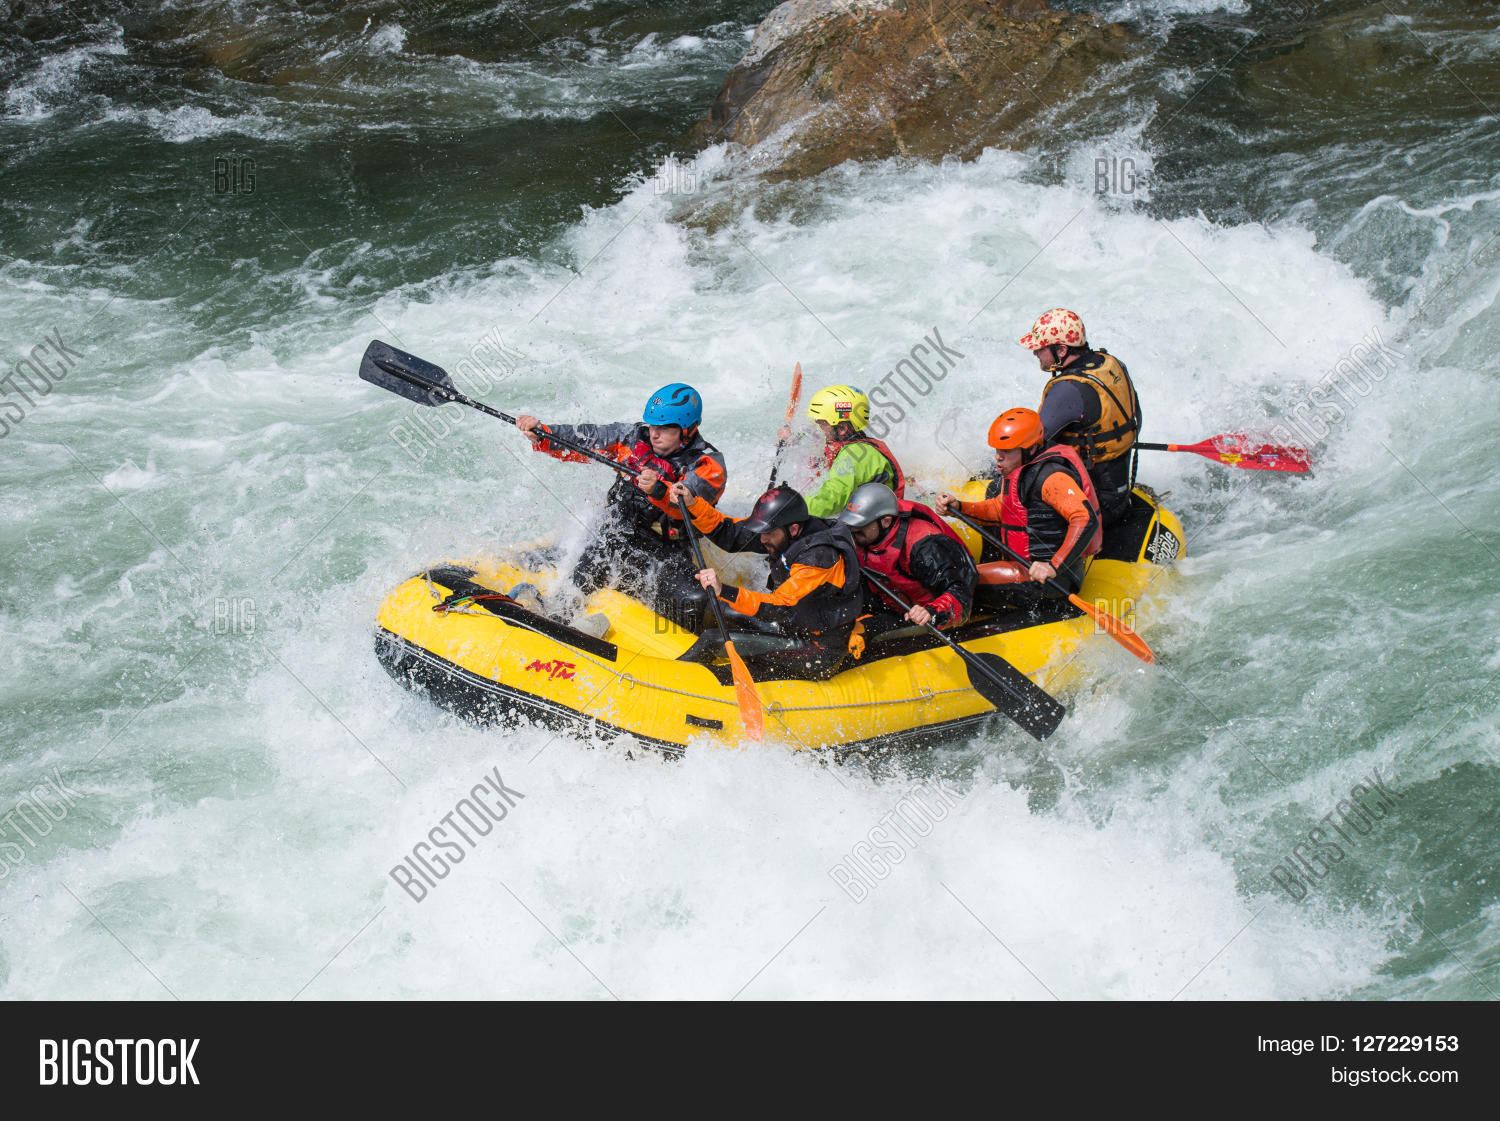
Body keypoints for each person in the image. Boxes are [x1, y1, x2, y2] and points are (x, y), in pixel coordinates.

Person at [515, 383, 726, 630]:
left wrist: (658, 490)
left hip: (667, 552)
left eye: (664, 428)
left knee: (694, 599)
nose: (654, 434)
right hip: (616, 536)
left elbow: (688, 504)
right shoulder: (633, 438)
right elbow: (587, 438)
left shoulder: (708, 464)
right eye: (652, 425)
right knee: (606, 544)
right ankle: (559, 614)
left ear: (688, 430)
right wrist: (543, 433)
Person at [666, 482, 864, 680]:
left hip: (816, 649)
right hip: (793, 626)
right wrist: (692, 504)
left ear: (794, 529)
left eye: (768, 533)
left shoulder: (818, 559)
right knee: (715, 607)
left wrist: (724, 590)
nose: (762, 539)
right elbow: (731, 533)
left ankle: (668, 681)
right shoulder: (782, 532)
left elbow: (780, 607)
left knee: (712, 641)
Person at [935, 408, 1101, 610]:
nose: (998, 457)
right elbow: (1001, 509)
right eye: (997, 450)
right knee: (953, 576)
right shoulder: (1022, 469)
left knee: (957, 582)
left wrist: (1053, 566)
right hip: (1025, 566)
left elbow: (1085, 519)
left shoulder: (1051, 477)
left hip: (1049, 578)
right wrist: (960, 507)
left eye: (1006, 451)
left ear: (1030, 449)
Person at [1019, 308, 1141, 527]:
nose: (1035, 353)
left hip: (1095, 505)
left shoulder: (1068, 389)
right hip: (1119, 492)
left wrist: (994, 468)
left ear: (1061, 350)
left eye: (1040, 348)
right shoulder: (1110, 364)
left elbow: (1028, 447)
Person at [835, 482, 976, 637]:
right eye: (851, 524)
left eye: (860, 525)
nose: (853, 530)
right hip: (886, 600)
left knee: (860, 632)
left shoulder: (924, 546)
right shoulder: (861, 534)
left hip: (921, 614)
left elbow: (960, 591)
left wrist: (931, 612)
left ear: (886, 521)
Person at [777, 384, 906, 518]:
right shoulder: (841, 441)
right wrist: (794, 438)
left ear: (842, 428)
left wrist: (784, 512)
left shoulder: (855, 455)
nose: (815, 429)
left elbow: (828, 501)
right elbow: (813, 437)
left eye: (820, 423)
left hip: (873, 525)